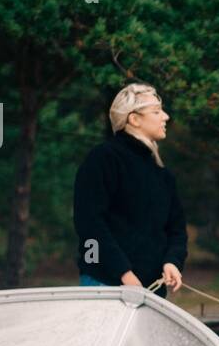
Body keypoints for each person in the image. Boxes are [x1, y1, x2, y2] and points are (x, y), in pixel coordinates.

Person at [74, 83, 186, 297]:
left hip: (152, 291)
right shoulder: (103, 159)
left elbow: (177, 230)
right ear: (134, 119)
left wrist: (173, 261)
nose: (166, 117)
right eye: (156, 111)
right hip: (105, 285)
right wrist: (123, 274)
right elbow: (89, 223)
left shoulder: (162, 174)